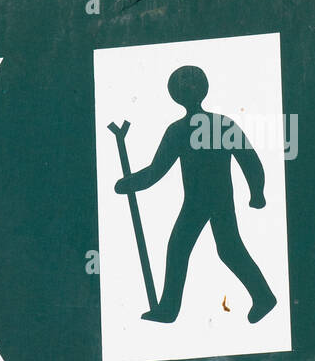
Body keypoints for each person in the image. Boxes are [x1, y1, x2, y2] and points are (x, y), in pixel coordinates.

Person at [115, 65, 277, 324]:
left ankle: (169, 309)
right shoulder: (217, 124)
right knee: (226, 249)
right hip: (215, 199)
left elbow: (156, 171)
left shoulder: (182, 129)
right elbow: (250, 160)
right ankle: (263, 296)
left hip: (200, 202)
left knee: (183, 247)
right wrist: (256, 191)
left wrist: (127, 184)